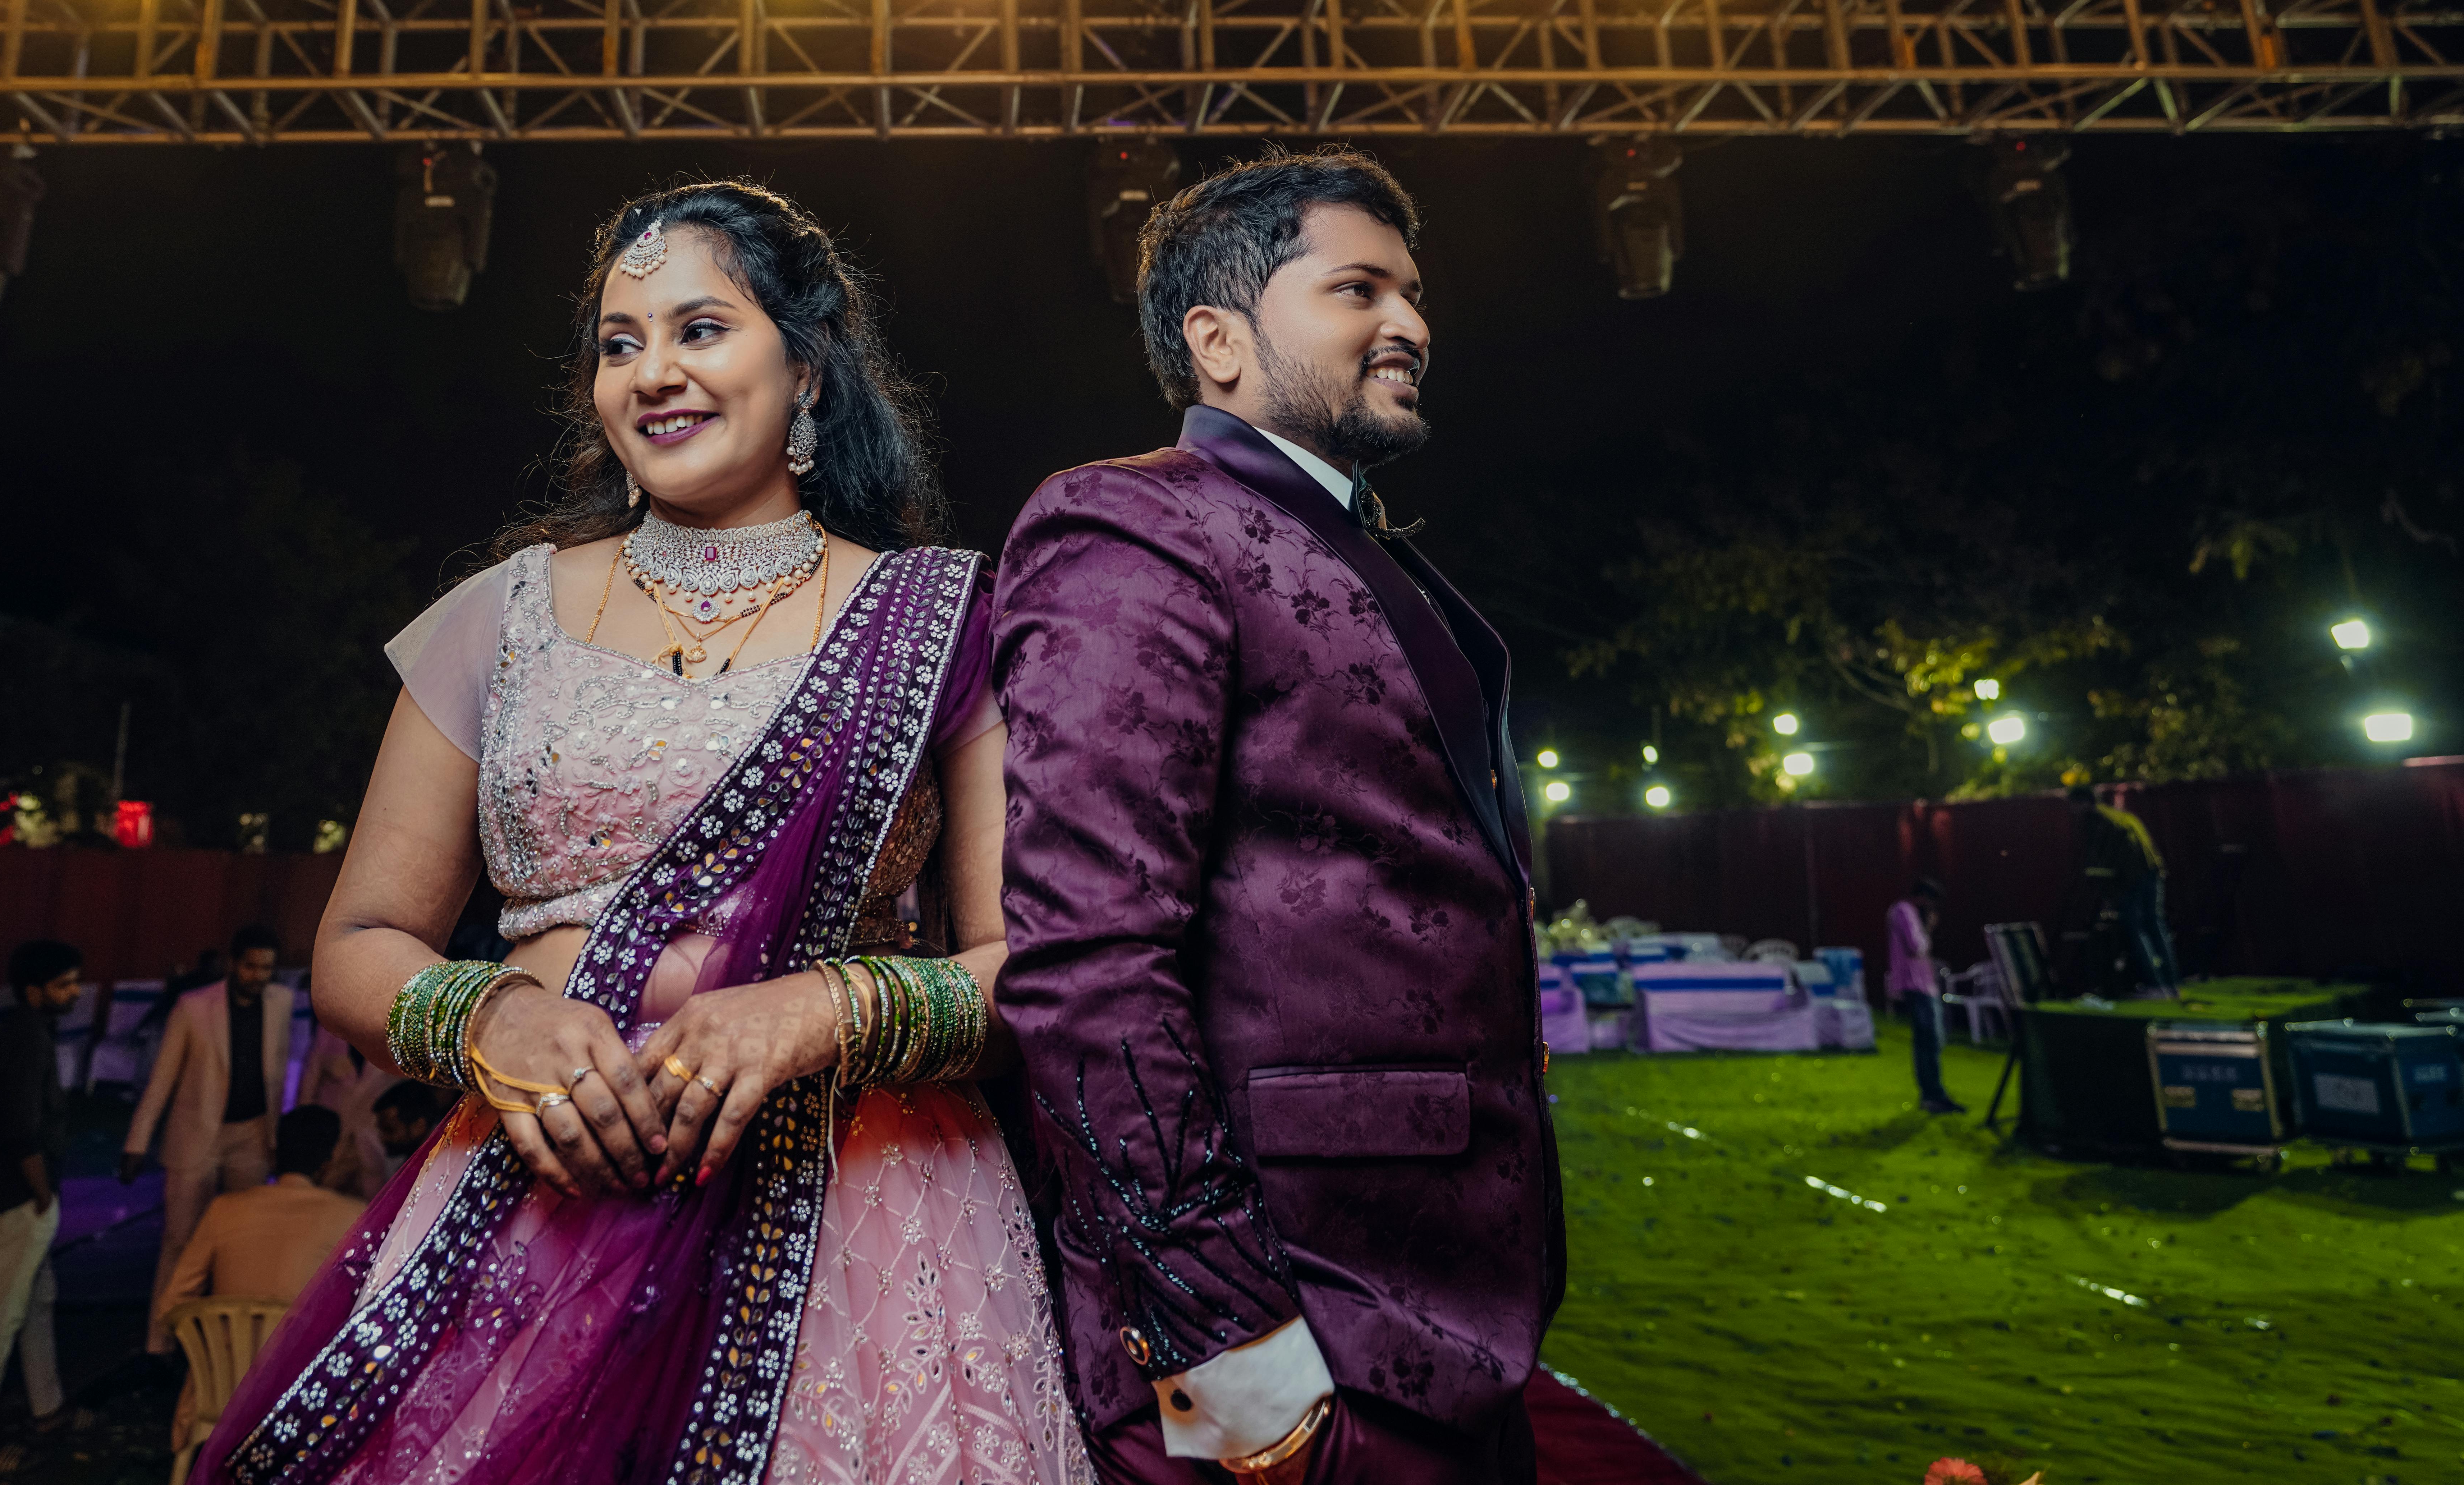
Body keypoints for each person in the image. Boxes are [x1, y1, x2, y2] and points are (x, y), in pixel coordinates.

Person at [199, 183, 1092, 1485]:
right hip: (527, 1200)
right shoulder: (493, 618)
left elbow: (1041, 971)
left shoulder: (948, 621)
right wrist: (485, 1018)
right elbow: (356, 942)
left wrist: (824, 1012)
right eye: (620, 343)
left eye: (699, 328)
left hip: (858, 1220)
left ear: (807, 368)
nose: (652, 373)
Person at [995, 147, 1560, 1485]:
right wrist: (1238, 1368)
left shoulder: (1365, 546)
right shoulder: (1128, 524)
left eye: (1413, 292)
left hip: (1450, 1315)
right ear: (1217, 338)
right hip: (1278, 1339)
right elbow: (1085, 964)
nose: (1410, 324)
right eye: (1356, 288)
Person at [122, 923, 293, 1353]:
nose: (259, 976)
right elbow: (162, 1079)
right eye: (252, 967)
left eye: (267, 969)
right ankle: (159, 1343)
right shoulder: (194, 1007)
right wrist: (136, 1142)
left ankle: (230, 1343)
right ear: (233, 964)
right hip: (197, 1134)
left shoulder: (281, 1003)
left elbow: (275, 1074)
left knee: (243, 1241)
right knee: (180, 1240)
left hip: (253, 1133)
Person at [155, 1106, 363, 1454]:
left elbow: (172, 1304)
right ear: (330, 1160)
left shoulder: (225, 1209)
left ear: (275, 1152)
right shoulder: (353, 1217)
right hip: (305, 1394)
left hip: (221, 1391)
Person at [0, 940, 89, 1476]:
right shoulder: (29, 1038)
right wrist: (41, 1193)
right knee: (3, 1316)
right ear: (35, 992)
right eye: (64, 984)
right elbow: (19, 1124)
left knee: (36, 1302)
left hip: (15, 1189)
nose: (75, 992)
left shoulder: (20, 1031)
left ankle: (48, 1409)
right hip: (21, 1195)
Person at [2071, 783, 2180, 997]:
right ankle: (2172, 984)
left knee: (2135, 929)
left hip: (2133, 878)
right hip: (2153, 871)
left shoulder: (2098, 821)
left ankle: (2155, 985)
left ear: (2083, 803)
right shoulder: (2123, 816)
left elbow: (2107, 861)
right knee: (2157, 927)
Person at [293, 1019, 396, 1197]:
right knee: (321, 1197)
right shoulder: (330, 1026)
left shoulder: (396, 1034)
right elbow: (310, 1077)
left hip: (372, 1141)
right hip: (329, 1137)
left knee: (369, 1203)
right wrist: (303, 1132)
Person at [1887, 878, 1963, 1114]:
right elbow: (1916, 946)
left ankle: (1933, 1094)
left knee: (1931, 1039)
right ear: (1922, 897)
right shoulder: (1904, 910)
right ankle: (1933, 1095)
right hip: (1915, 984)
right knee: (1929, 1040)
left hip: (1924, 984)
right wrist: (1928, 928)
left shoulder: (1906, 911)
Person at [364, 1077, 446, 1184]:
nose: (383, 1138)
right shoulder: (404, 1164)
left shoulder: (443, 1163)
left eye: (390, 1130)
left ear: (419, 1126)